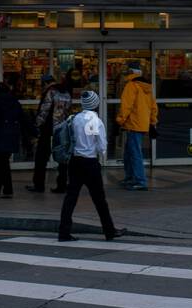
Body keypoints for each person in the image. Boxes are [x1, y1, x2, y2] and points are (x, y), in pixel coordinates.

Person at [58, 90, 127, 243]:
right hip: (90, 162)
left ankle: (63, 232)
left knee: (70, 198)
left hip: (75, 161)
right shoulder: (96, 121)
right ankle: (109, 231)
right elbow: (102, 147)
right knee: (99, 200)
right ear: (96, 104)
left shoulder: (75, 119)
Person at [0, 81, 31, 199]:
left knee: (2, 163)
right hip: (12, 136)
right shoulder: (15, 102)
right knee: (2, 162)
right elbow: (23, 119)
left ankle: (8, 190)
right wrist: (33, 131)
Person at [116, 62, 158, 192]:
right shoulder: (147, 87)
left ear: (130, 72)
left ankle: (140, 181)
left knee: (134, 153)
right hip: (142, 124)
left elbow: (126, 106)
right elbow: (153, 107)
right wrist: (152, 122)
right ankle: (130, 178)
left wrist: (120, 120)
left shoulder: (131, 85)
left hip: (133, 124)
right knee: (129, 153)